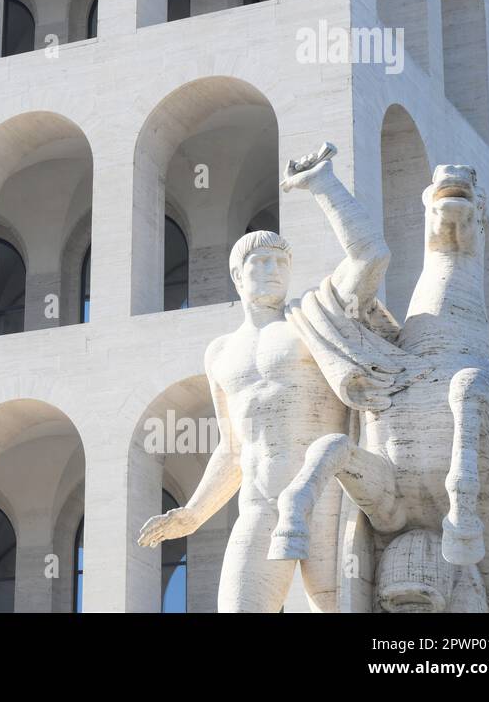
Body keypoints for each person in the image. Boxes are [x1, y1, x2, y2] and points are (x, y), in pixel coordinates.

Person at [137, 144, 393, 612]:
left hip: (329, 502)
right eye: (261, 263)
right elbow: (233, 448)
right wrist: (194, 513)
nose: (273, 271)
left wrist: (323, 184)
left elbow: (370, 255)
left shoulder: (313, 319)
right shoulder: (220, 353)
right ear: (238, 275)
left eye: (282, 264)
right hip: (258, 505)